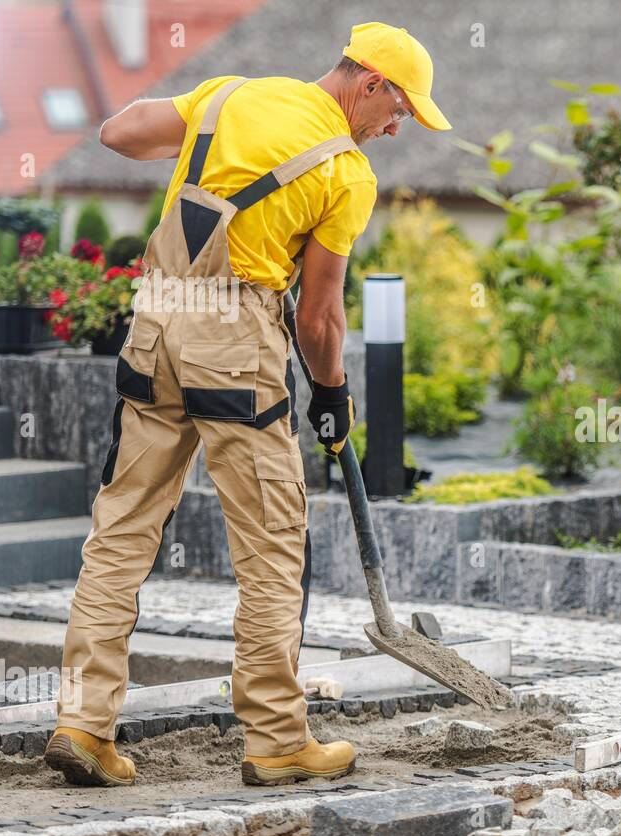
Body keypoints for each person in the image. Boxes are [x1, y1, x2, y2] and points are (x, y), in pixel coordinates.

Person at [44, 22, 450, 788]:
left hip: (155, 324)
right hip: (236, 343)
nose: (398, 127)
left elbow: (119, 130)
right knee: (269, 545)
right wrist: (332, 395)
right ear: (367, 84)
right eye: (399, 110)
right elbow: (319, 317)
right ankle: (276, 739)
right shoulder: (347, 174)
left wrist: (206, 135)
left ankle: (82, 722)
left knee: (121, 528)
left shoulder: (230, 95)